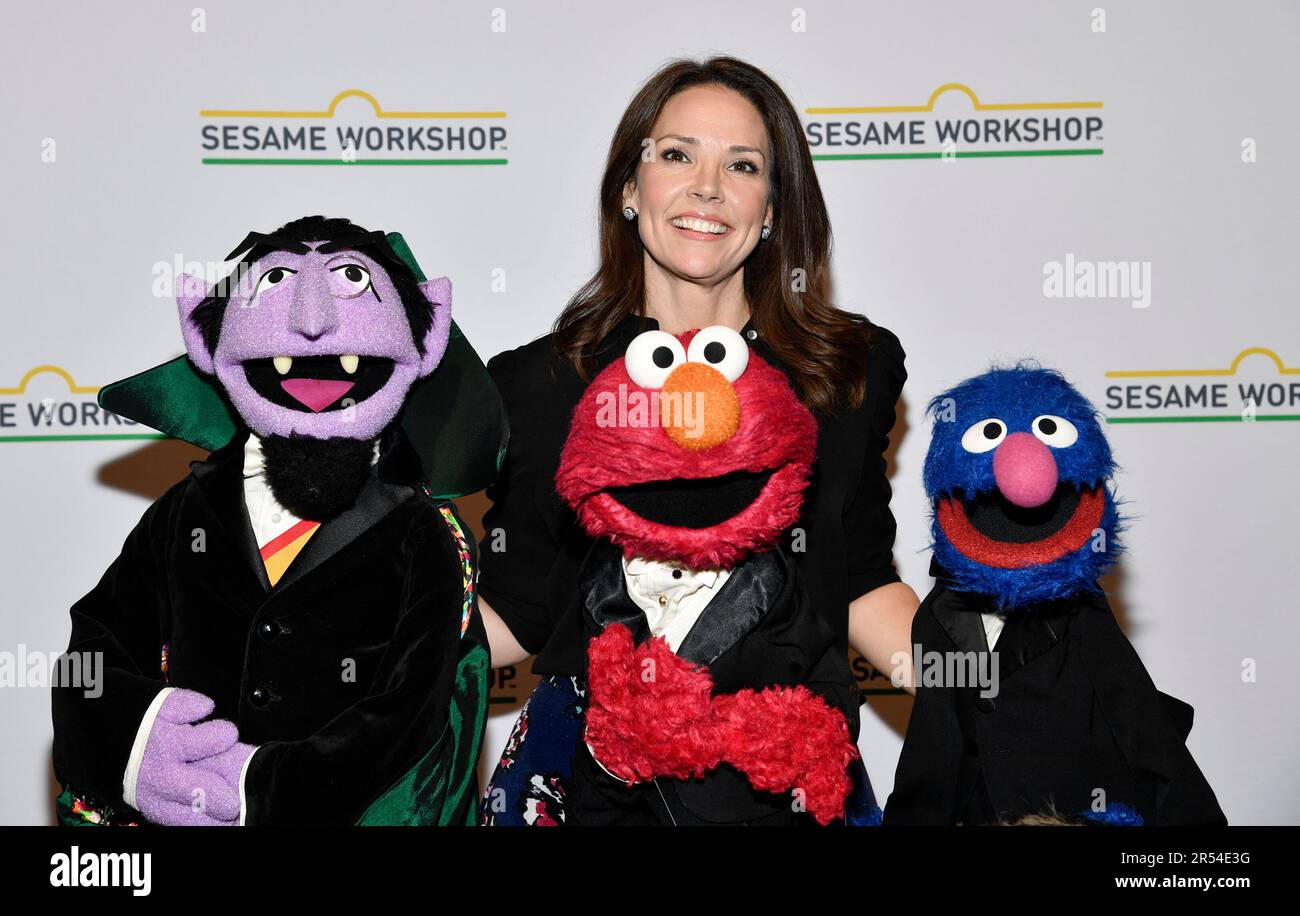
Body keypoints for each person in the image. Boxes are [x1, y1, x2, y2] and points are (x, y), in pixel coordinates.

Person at [476, 56, 918, 823]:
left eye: (742, 165)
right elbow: (519, 610)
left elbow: (857, 580)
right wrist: (361, 649)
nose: (707, 188)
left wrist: (993, 683)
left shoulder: (842, 371)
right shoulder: (543, 384)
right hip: (590, 780)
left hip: (780, 763)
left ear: (774, 206)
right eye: (676, 154)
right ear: (627, 188)